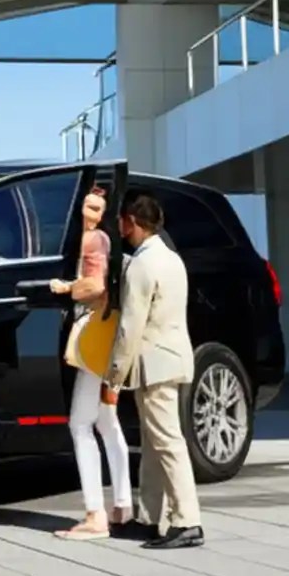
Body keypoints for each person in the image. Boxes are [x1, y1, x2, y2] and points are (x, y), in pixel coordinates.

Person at [106, 191, 204, 549]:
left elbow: (130, 327)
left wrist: (114, 375)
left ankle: (187, 521)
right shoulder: (172, 258)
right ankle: (150, 518)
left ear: (131, 221)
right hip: (173, 359)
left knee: (167, 442)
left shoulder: (142, 266)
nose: (118, 226)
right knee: (152, 444)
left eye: (120, 220)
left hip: (154, 365)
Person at [48, 189, 132, 540]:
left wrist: (66, 288)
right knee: (107, 423)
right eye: (89, 205)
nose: (93, 212)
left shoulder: (93, 240)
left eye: (98, 207)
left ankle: (95, 514)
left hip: (95, 330)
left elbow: (96, 285)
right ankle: (123, 507)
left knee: (80, 424)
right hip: (106, 330)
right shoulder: (100, 239)